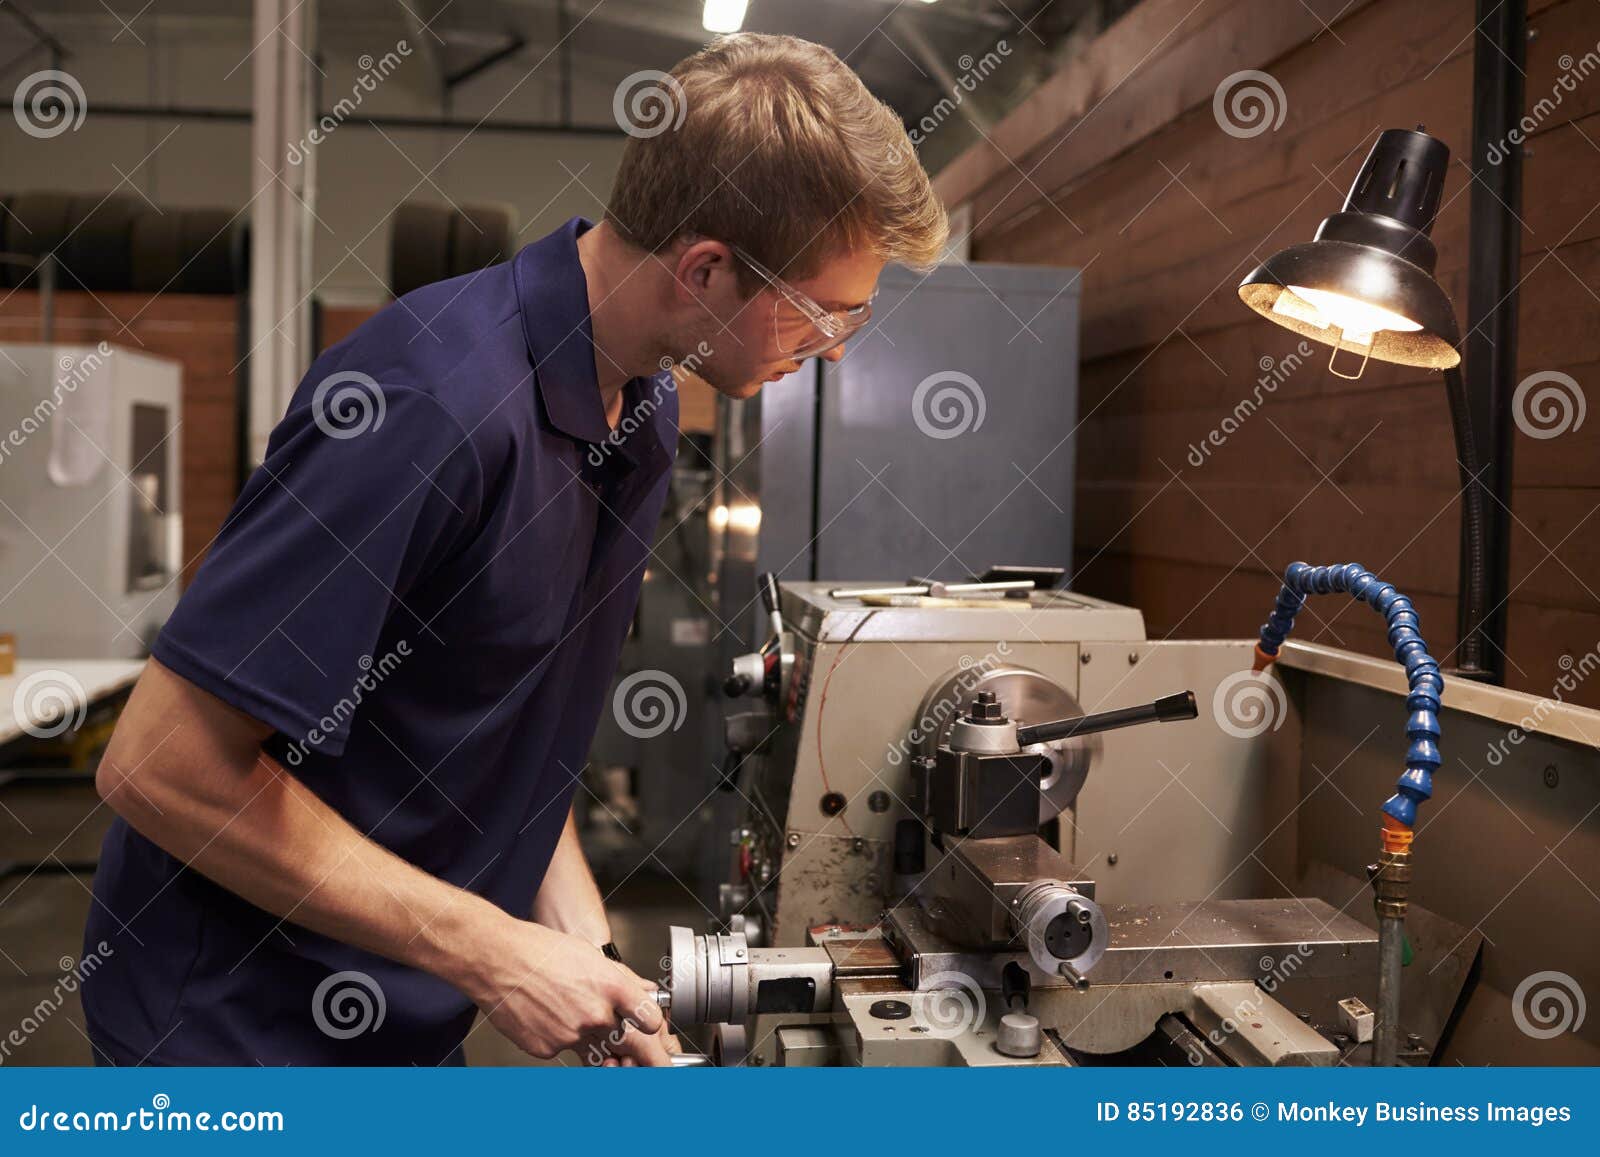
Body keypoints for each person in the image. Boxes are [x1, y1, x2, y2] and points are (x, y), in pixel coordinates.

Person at [82, 31, 947, 1067]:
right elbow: (158, 765)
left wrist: (580, 950)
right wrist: (493, 951)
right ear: (705, 267)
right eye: (821, 312)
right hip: (233, 1027)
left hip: (404, 1005)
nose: (836, 349)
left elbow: (511, 732)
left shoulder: (646, 408)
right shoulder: (427, 405)